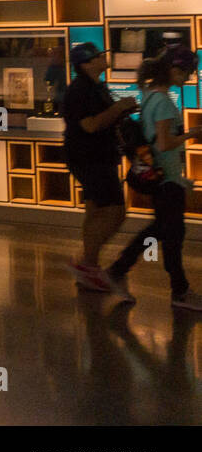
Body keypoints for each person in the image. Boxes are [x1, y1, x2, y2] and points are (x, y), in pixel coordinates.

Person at [103, 48, 202, 310]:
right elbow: (165, 142)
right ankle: (178, 292)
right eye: (185, 72)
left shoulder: (149, 96)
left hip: (164, 178)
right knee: (171, 235)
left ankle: (119, 270)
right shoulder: (164, 102)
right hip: (165, 180)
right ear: (172, 70)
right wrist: (192, 134)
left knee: (163, 230)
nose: (188, 77)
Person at [61, 43, 138, 297]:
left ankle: (88, 267)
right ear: (85, 64)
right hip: (89, 158)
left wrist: (122, 111)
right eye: (97, 56)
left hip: (99, 156)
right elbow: (90, 125)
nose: (103, 58)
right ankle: (88, 265)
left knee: (95, 211)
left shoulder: (96, 86)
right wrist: (118, 109)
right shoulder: (79, 90)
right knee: (115, 212)